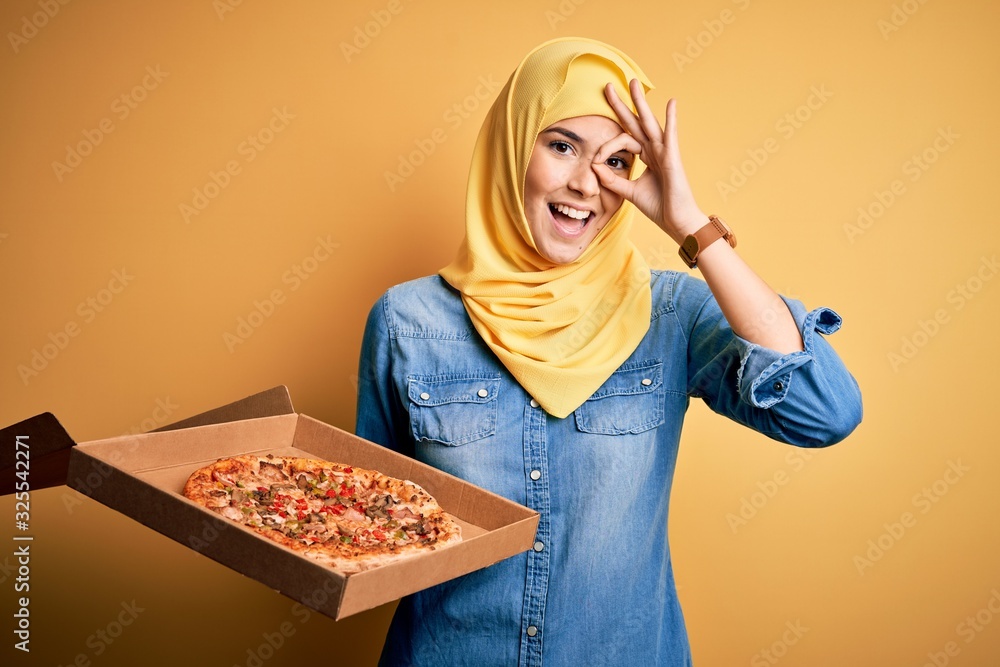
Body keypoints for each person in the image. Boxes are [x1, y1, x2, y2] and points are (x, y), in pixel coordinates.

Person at [356, 37, 862, 666]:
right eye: (562, 145)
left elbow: (825, 412)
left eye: (617, 162)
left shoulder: (670, 314)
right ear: (512, 146)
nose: (585, 184)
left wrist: (690, 225)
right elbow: (369, 521)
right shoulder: (408, 321)